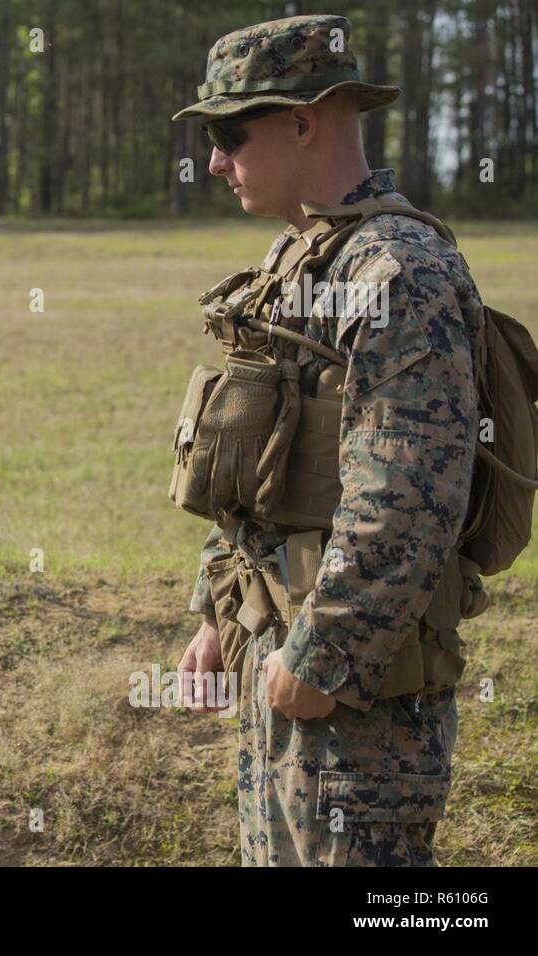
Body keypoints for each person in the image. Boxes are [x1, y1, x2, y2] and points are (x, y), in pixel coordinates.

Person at [170, 15, 485, 866]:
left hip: (360, 696)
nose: (214, 162)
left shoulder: (398, 274)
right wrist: (220, 611)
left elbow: (407, 500)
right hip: (281, 655)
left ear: (302, 119)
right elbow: (256, 468)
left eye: (230, 134)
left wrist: (323, 656)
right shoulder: (299, 261)